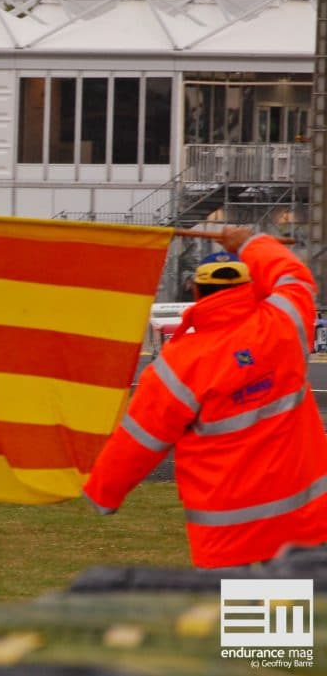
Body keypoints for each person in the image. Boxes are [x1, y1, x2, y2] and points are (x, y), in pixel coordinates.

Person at [83, 226, 327, 569]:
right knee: (291, 620)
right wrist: (252, 244)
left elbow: (137, 441)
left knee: (249, 623)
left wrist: (102, 494)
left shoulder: (179, 365)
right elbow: (293, 276)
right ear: (251, 287)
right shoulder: (283, 325)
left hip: (230, 538)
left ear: (196, 292)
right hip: (306, 527)